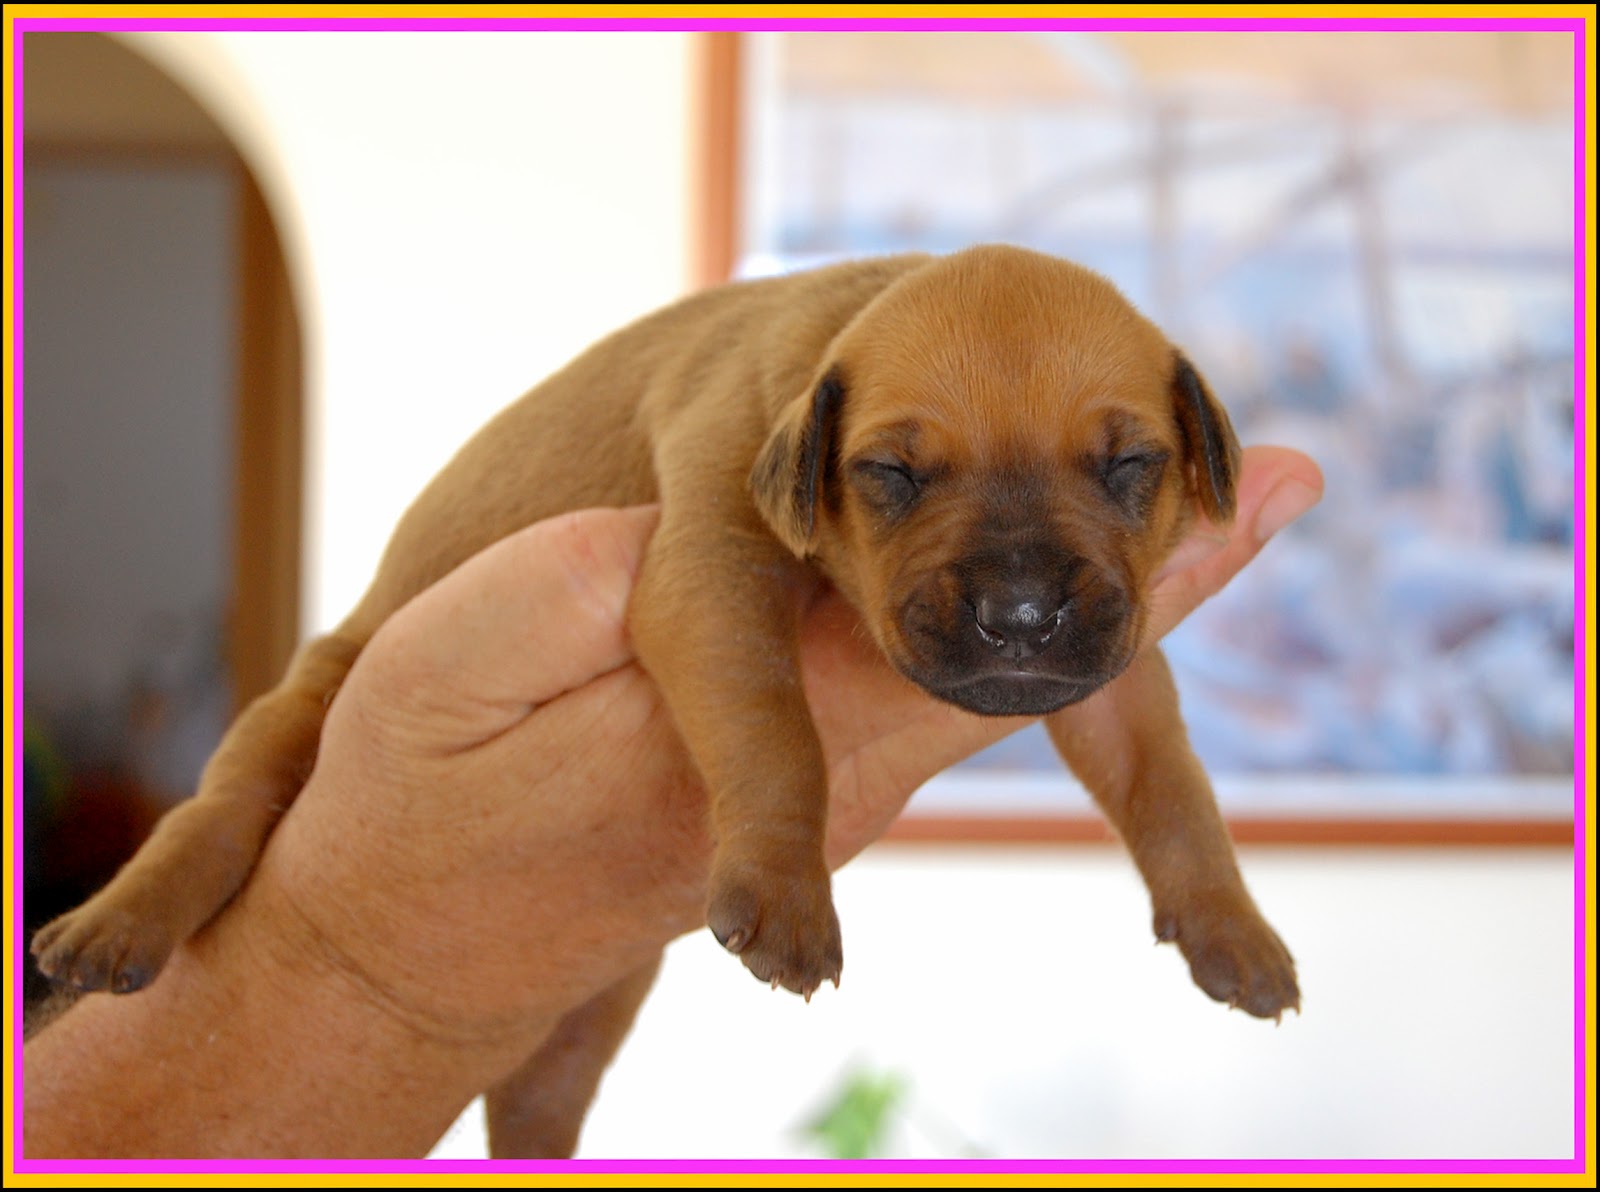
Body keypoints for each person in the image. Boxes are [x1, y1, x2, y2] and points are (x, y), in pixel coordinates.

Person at [22, 447, 1322, 1159]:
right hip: (365, 686)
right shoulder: (759, 404)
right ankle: (144, 903)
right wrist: (774, 840)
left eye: (1124, 473)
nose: (1021, 593)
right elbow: (691, 589)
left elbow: (1135, 710)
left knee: (577, 1031)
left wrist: (1202, 891)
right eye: (903, 481)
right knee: (241, 797)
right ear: (815, 443)